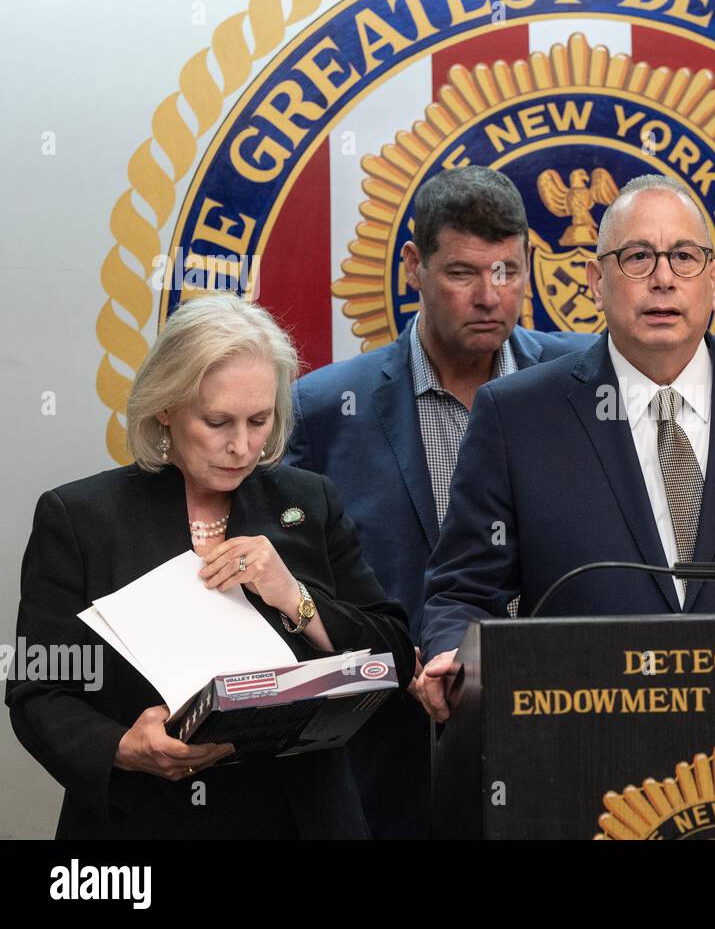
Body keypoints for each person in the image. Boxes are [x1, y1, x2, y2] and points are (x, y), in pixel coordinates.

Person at [413, 174, 715, 721]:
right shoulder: (517, 416)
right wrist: (454, 654)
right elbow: (463, 594)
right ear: (595, 280)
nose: (663, 279)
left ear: (714, 279)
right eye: (638, 256)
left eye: (684, 257)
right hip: (580, 741)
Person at [6, 295, 415, 838]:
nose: (242, 446)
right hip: (148, 822)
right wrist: (124, 748)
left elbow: (392, 657)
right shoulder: (81, 519)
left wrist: (295, 596)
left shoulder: (309, 501)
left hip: (299, 815)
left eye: (260, 420)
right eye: (218, 421)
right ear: (166, 407)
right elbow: (40, 691)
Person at [286, 165, 591, 837]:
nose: (490, 296)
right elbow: (299, 593)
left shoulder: (584, 385)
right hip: (390, 763)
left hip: (566, 742)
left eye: (508, 271)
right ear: (413, 267)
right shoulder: (324, 412)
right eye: (463, 273)